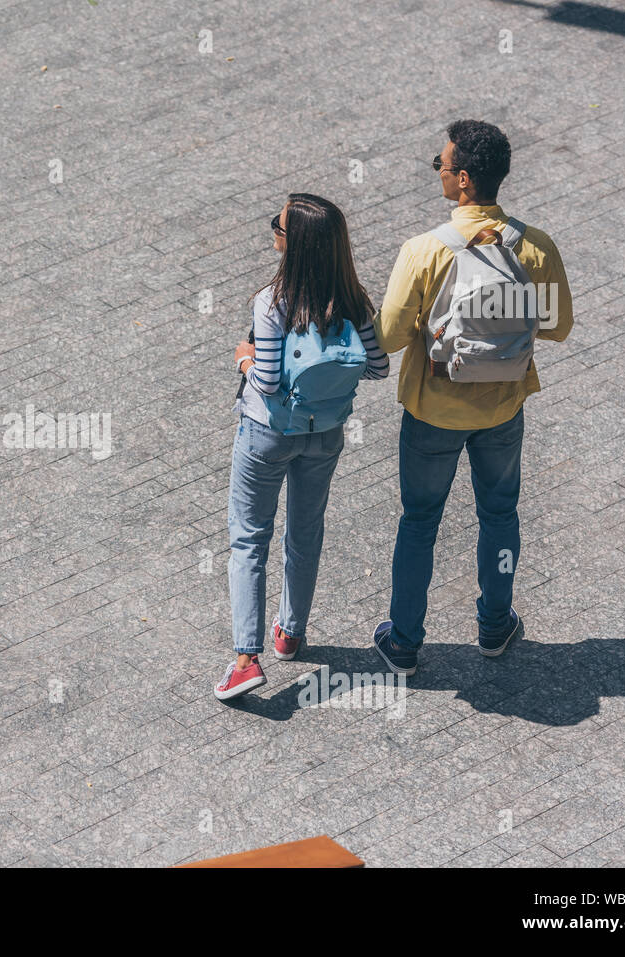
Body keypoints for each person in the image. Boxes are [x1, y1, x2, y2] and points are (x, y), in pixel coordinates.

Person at [372, 120, 573, 676]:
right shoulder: (534, 247)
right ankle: (494, 624)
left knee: (419, 521)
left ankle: (405, 641)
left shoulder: (423, 251)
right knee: (500, 513)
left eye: (439, 164)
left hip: (433, 410)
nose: (436, 170)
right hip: (504, 408)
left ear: (462, 180)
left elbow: (387, 338)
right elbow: (557, 328)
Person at [216, 193, 389, 700]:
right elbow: (378, 368)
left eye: (279, 225)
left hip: (267, 434)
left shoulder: (271, 302)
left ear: (295, 245)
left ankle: (246, 659)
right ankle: (290, 634)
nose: (273, 229)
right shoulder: (354, 300)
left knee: (249, 539)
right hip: (326, 434)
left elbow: (268, 382)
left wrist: (243, 359)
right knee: (305, 532)